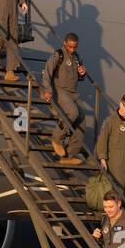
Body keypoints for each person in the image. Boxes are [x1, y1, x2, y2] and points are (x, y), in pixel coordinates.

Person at [41, 32, 87, 166]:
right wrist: (48, 90)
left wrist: (82, 74)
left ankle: (68, 155)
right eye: (70, 47)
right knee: (73, 112)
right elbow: (47, 72)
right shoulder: (58, 55)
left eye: (75, 47)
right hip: (60, 90)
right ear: (65, 43)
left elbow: (79, 78)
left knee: (82, 122)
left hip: (73, 92)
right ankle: (56, 138)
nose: (72, 50)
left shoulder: (77, 57)